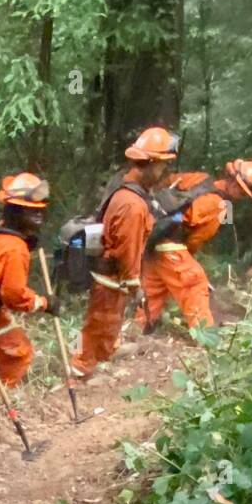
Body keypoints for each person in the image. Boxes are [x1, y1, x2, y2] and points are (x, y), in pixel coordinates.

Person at [74, 127, 178, 378]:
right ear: (151, 164)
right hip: (111, 277)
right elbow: (127, 250)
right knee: (99, 323)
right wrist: (135, 285)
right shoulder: (132, 204)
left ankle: (108, 350)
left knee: (109, 320)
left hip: (114, 277)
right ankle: (81, 367)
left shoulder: (132, 192)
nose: (166, 172)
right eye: (164, 166)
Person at [137, 159, 252, 329]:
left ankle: (141, 326)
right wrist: (188, 254)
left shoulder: (201, 179)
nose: (240, 194)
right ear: (234, 182)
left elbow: (168, 181)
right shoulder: (218, 204)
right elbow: (196, 236)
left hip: (153, 236)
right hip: (171, 243)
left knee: (154, 287)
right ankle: (204, 334)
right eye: (241, 191)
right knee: (194, 283)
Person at [0, 172, 58, 386]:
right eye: (30, 211)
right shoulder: (14, 248)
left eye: (40, 211)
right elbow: (14, 296)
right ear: (15, 211)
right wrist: (44, 303)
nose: (38, 215)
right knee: (18, 355)